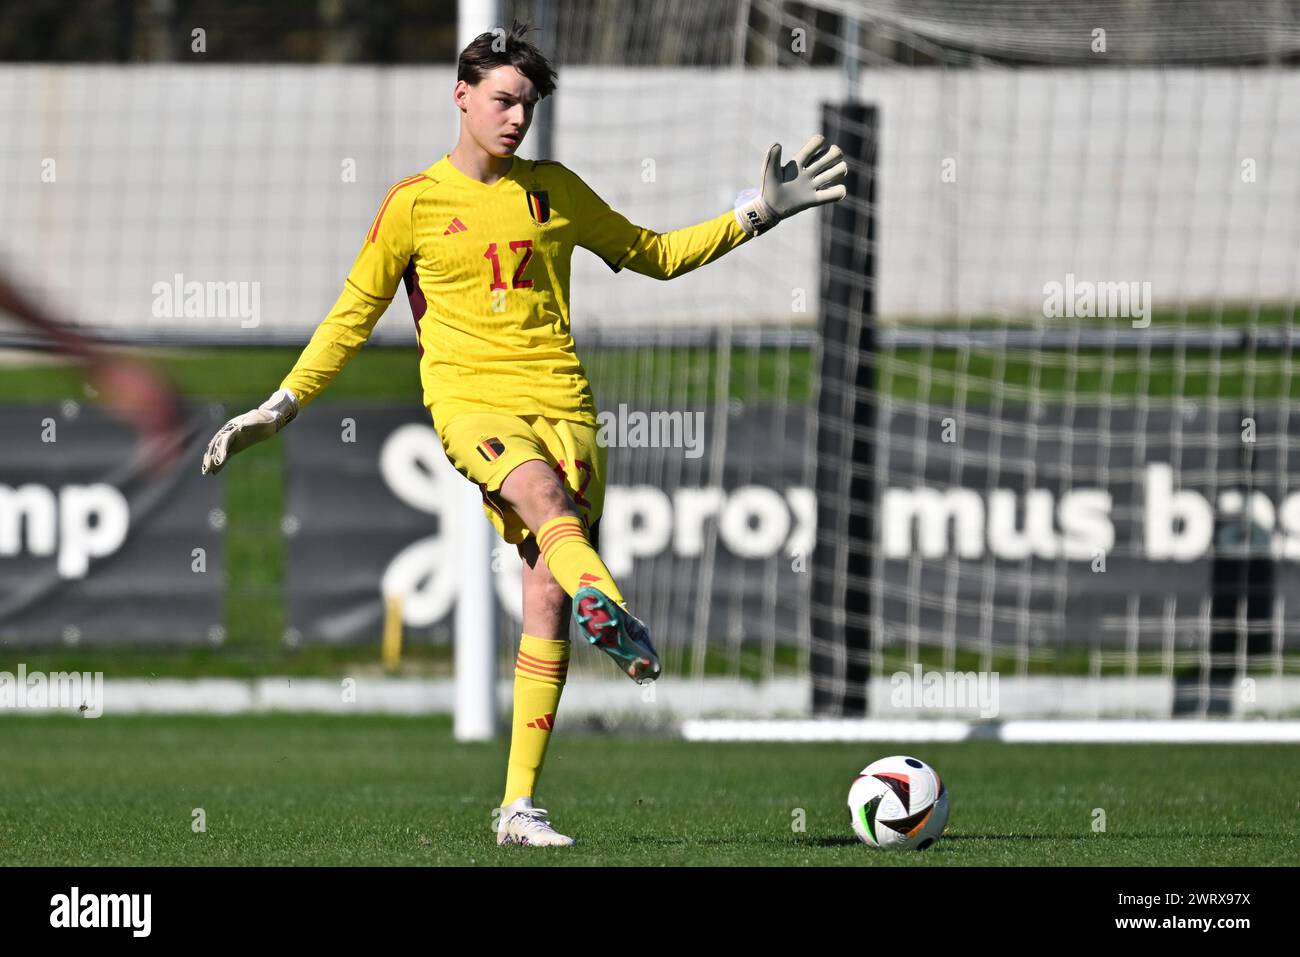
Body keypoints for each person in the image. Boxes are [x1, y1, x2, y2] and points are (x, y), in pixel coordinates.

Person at [201, 21, 847, 847]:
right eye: (504, 99)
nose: (516, 117)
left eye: (529, 104)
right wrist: (282, 403)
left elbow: (653, 253)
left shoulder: (553, 189)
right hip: (474, 405)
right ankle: (610, 603)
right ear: (461, 95)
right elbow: (351, 315)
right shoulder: (414, 203)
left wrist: (758, 212)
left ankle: (517, 807)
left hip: (566, 406)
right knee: (543, 504)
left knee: (545, 591)